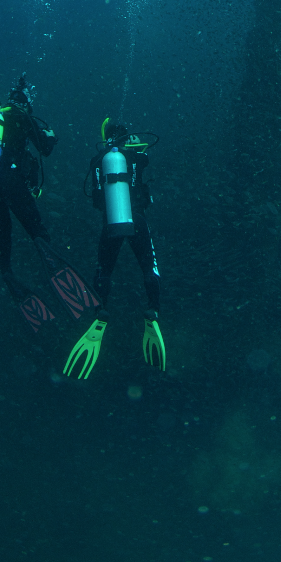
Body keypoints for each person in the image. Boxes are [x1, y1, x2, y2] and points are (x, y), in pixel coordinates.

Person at [0, 75, 97, 332]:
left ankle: (6, 271)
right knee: (37, 231)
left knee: (4, 228)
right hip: (11, 181)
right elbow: (44, 149)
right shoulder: (23, 117)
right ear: (26, 103)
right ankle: (56, 269)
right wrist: (51, 136)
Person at [63, 119, 165, 378]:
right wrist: (134, 147)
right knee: (148, 266)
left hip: (111, 223)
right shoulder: (135, 155)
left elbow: (96, 198)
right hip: (137, 220)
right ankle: (153, 309)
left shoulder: (99, 159)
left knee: (104, 269)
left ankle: (100, 312)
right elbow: (145, 161)